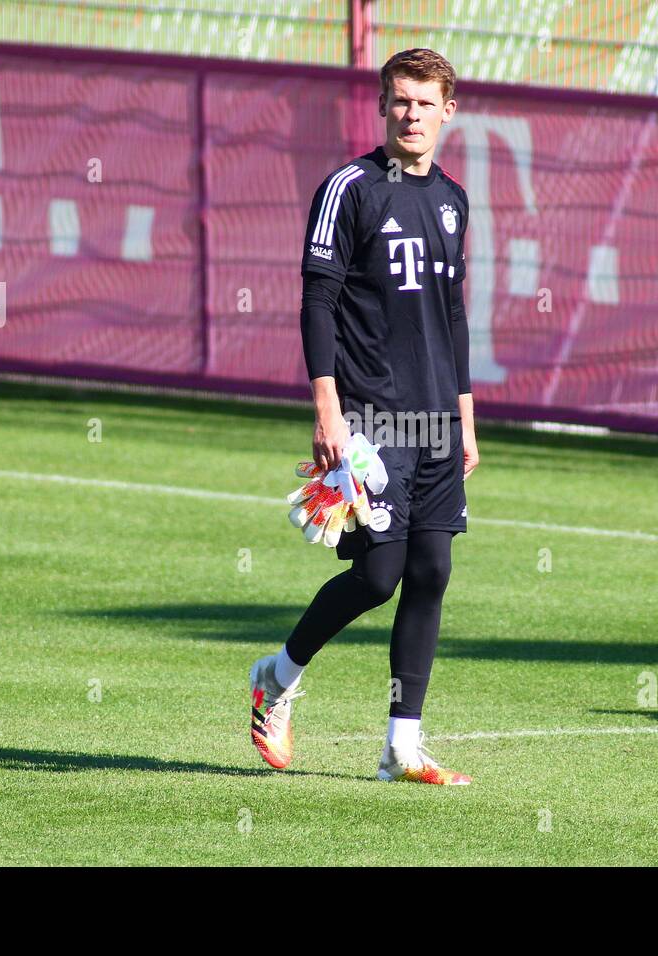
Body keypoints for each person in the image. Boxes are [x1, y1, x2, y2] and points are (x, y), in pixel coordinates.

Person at [248, 48, 478, 785]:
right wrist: (327, 409)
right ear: (384, 107)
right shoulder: (349, 188)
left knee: (433, 570)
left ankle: (401, 746)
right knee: (379, 577)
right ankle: (276, 677)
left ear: (450, 110)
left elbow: (453, 315)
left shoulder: (452, 199)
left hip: (438, 418)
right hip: (374, 416)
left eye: (424, 102)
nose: (410, 114)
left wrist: (466, 415)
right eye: (399, 100)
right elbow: (317, 298)